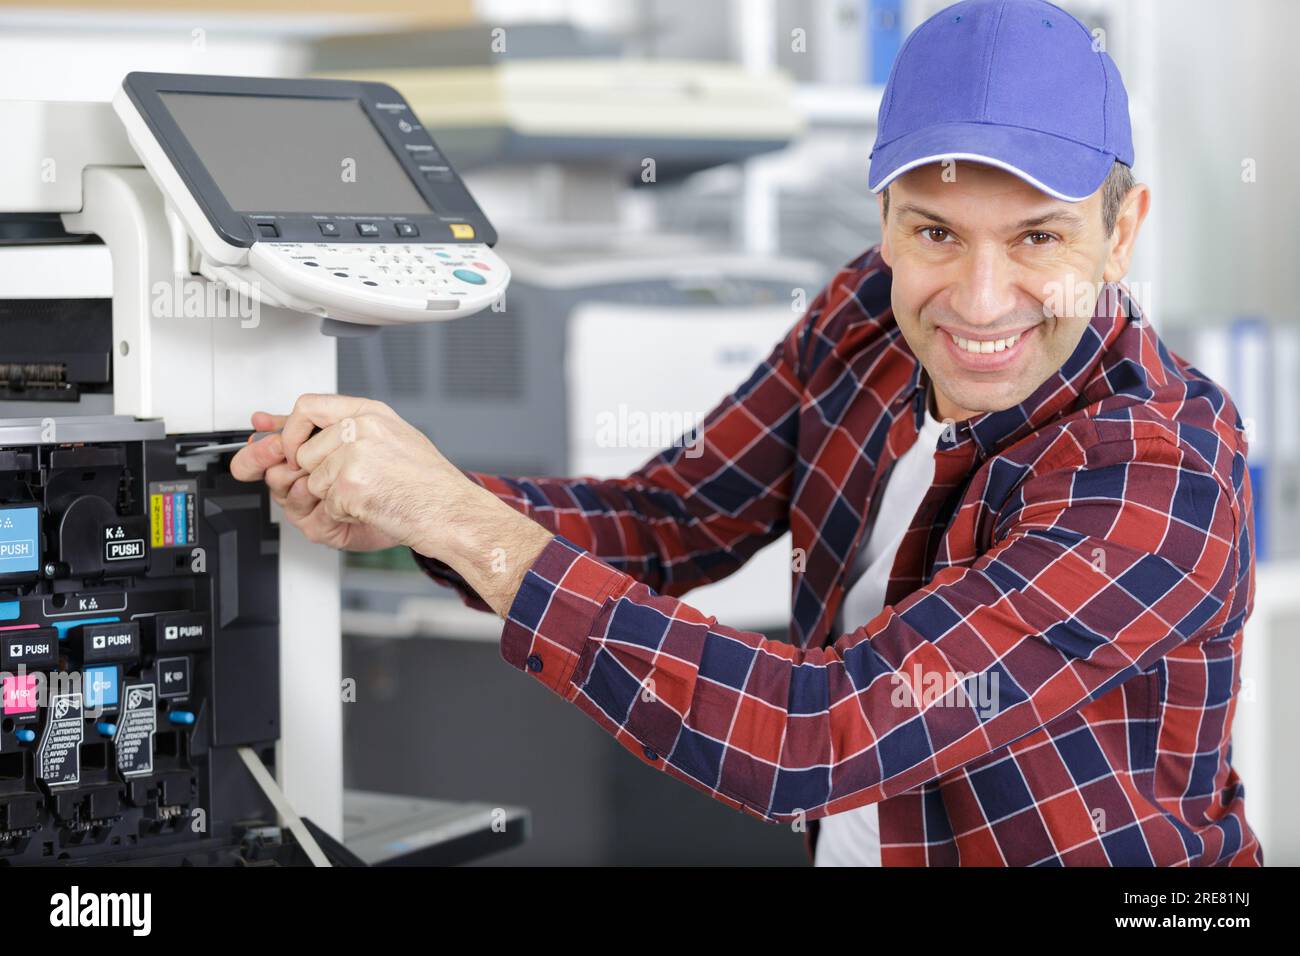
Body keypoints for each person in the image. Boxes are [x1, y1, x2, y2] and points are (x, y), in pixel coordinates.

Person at [231, 0, 1260, 866]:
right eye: (934, 232)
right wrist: (422, 511)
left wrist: (460, 518)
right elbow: (674, 518)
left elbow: (812, 731)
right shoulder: (866, 314)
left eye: (1037, 236)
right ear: (886, 216)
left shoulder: (1153, 470)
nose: (979, 302)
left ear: (1121, 232)